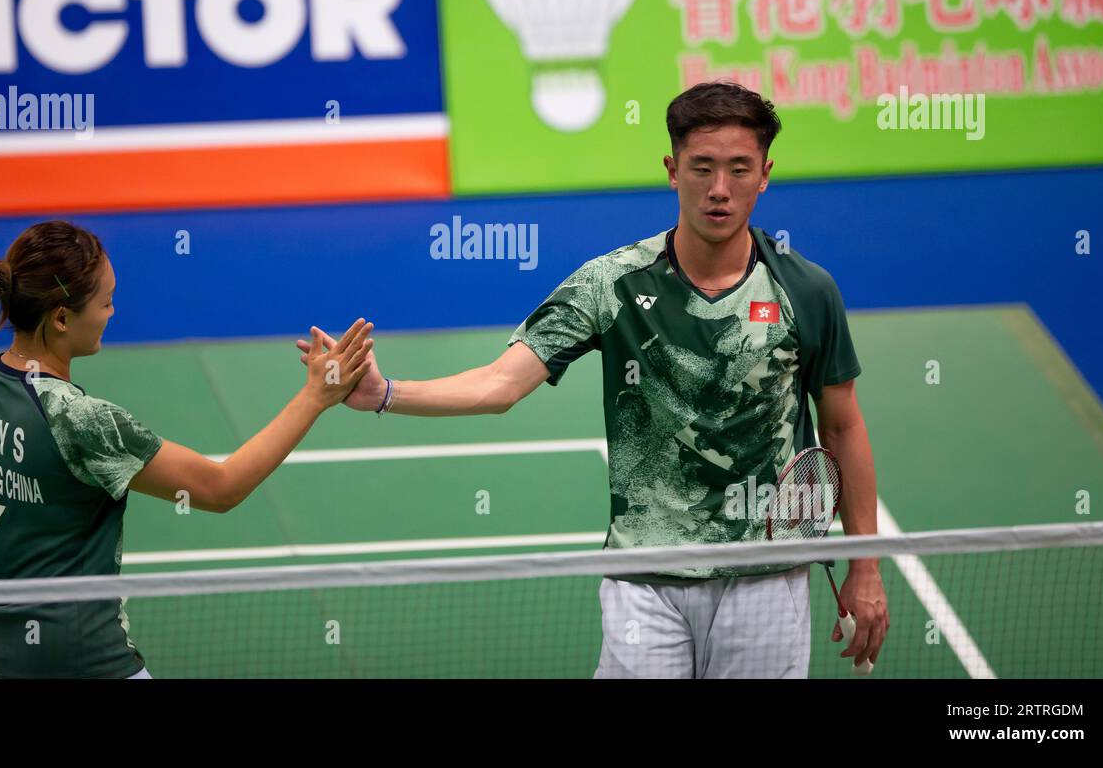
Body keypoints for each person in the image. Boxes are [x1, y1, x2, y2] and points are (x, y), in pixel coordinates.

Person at [300, 82, 889, 678]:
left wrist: (865, 564)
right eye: (701, 167)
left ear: (765, 174)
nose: (719, 190)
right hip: (647, 579)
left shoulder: (807, 291)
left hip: (767, 578)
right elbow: (501, 385)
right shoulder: (611, 283)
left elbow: (842, 425)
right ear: (671, 169)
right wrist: (384, 393)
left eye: (739, 170)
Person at [0, 220, 372, 679]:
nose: (113, 313)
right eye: (106, 302)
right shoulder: (83, 421)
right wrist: (315, 396)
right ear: (63, 317)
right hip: (87, 664)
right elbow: (221, 488)